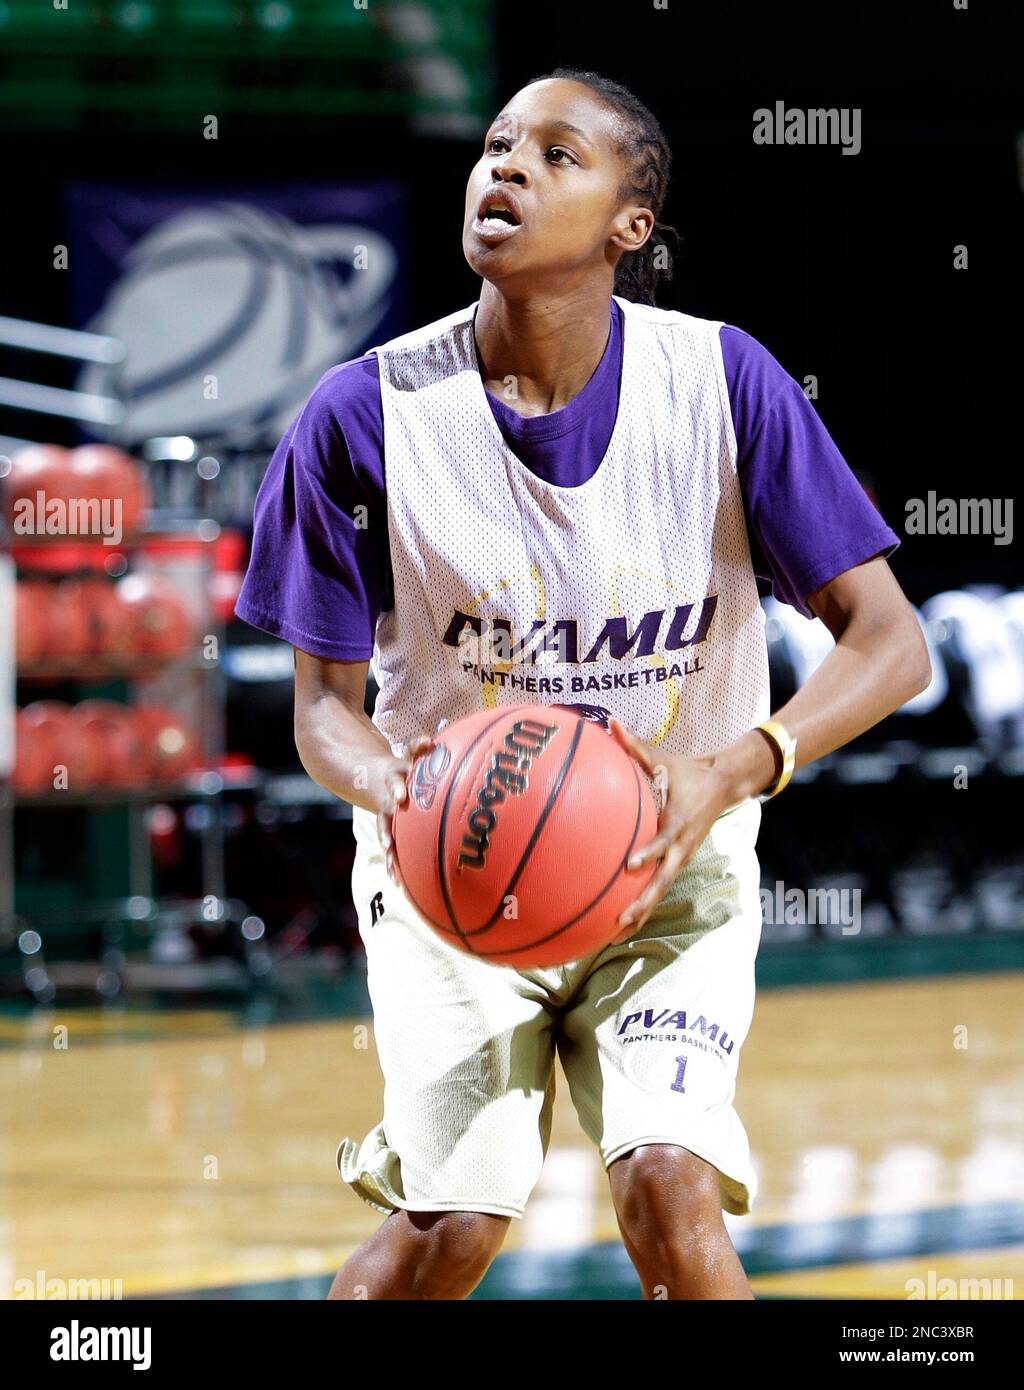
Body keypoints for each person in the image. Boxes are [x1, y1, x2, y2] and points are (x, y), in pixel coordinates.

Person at [235, 68, 931, 1299]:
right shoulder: (361, 415)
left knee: (666, 1181)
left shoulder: (723, 385)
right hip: (450, 866)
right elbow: (323, 714)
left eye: (557, 155)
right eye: (497, 144)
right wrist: (402, 784)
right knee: (449, 1229)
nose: (505, 166)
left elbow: (889, 644)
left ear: (630, 225)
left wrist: (731, 767)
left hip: (676, 856)